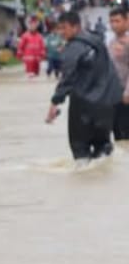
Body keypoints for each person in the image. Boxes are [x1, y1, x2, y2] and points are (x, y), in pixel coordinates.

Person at [46, 9, 123, 161]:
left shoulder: (73, 48)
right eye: (59, 28)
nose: (61, 32)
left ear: (76, 27)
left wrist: (55, 103)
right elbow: (111, 71)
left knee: (80, 150)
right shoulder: (98, 42)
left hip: (83, 108)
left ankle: (84, 182)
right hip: (105, 106)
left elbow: (67, 79)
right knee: (104, 148)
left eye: (64, 28)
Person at [107, 4, 129, 141]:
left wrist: (128, 91)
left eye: (117, 21)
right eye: (111, 21)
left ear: (127, 21)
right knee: (118, 135)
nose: (114, 25)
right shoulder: (111, 41)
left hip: (126, 96)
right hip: (114, 95)